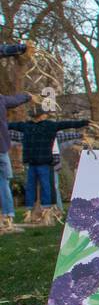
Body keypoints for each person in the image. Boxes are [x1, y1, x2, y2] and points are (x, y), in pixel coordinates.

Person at [9, 106, 87, 210]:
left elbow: (12, 126)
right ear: (43, 116)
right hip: (43, 162)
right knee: (45, 186)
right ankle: (45, 209)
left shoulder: (26, 126)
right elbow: (66, 124)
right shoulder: (49, 125)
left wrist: (82, 123)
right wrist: (83, 123)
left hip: (32, 162)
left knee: (32, 187)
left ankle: (30, 209)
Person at [1, 88, 34, 230]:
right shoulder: (1, 99)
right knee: (4, 182)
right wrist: (28, 96)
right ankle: (8, 216)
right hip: (2, 149)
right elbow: (15, 100)